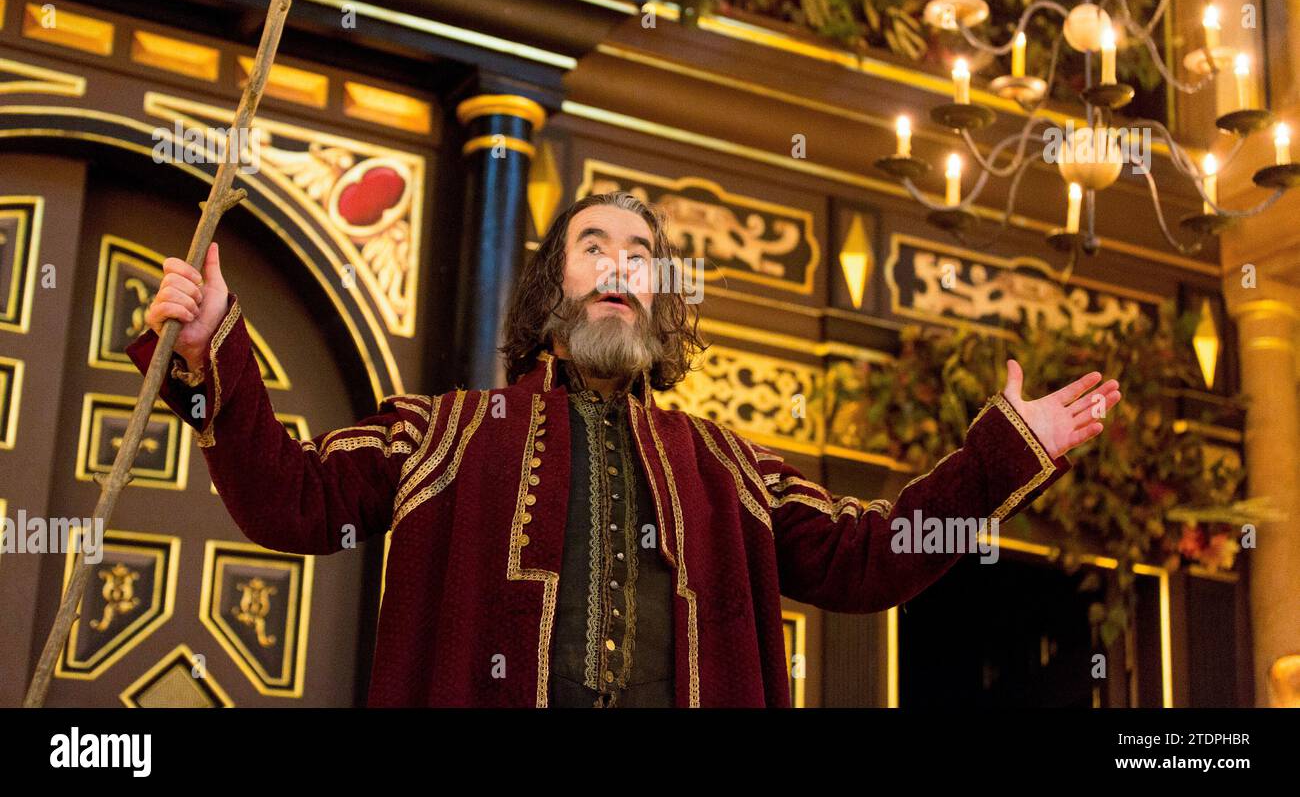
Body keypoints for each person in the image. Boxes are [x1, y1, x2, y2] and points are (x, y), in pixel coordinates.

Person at [127, 191, 1121, 707]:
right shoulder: (440, 433)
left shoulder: (726, 464)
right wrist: (211, 353)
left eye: (641, 257)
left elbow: (866, 556)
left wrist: (1000, 457)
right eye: (595, 247)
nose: (621, 265)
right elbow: (291, 497)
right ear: (551, 291)